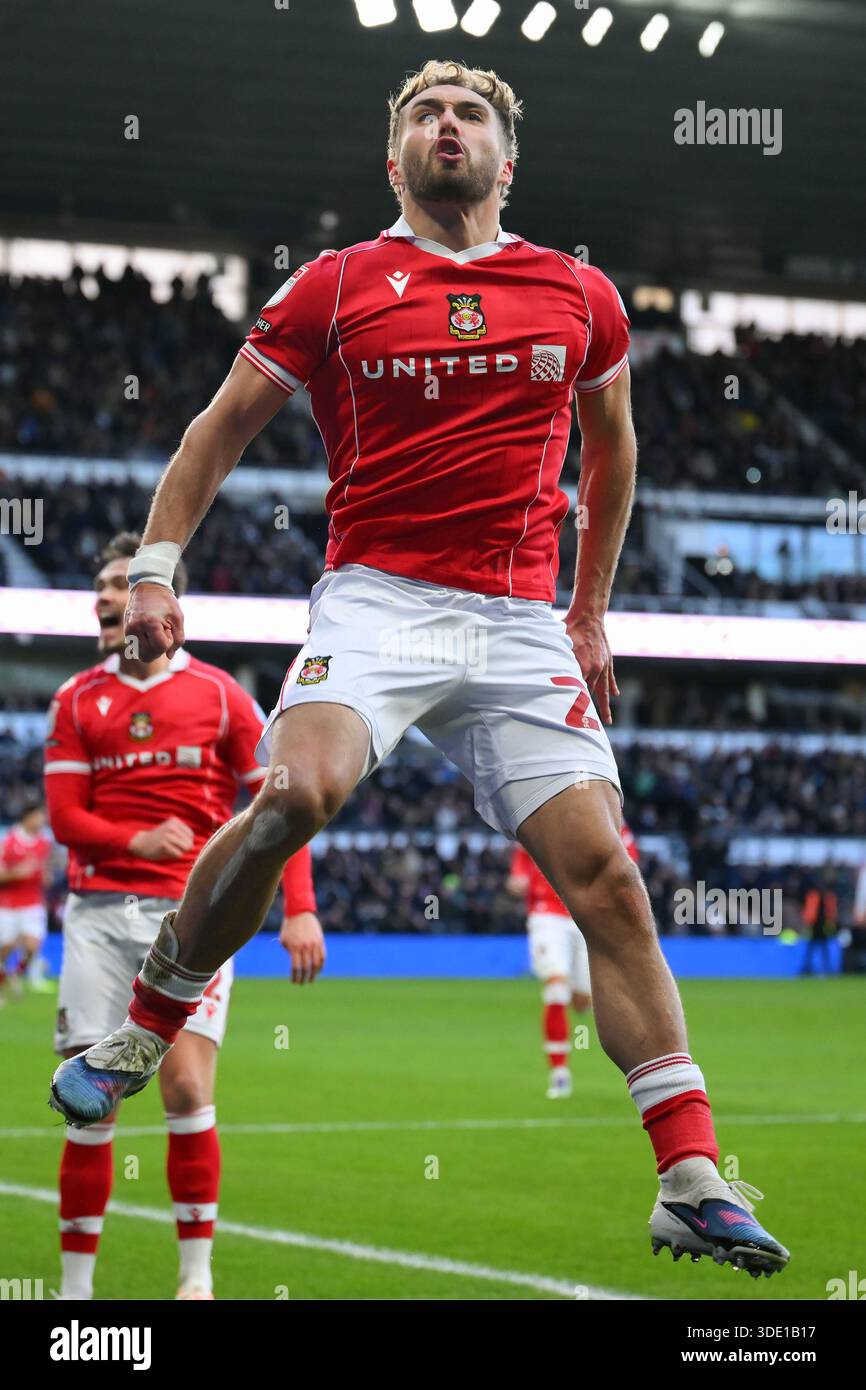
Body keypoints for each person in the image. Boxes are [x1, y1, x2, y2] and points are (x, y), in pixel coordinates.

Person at [50, 60, 788, 1278]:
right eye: (424, 118)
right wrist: (156, 576)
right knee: (297, 794)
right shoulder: (337, 285)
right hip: (379, 597)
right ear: (394, 161)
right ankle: (148, 1023)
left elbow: (612, 456)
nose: (449, 129)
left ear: (509, 156)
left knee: (605, 873)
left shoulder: (577, 294)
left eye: (471, 116)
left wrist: (588, 612)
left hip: (512, 618)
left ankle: (688, 1172)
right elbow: (213, 431)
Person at [45, 532, 324, 1300]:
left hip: (191, 917)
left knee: (186, 1092)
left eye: (117, 586)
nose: (104, 598)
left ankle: (195, 1284)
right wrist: (133, 836)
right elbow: (65, 817)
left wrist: (299, 908)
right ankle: (75, 1293)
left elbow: (279, 806)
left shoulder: (220, 696)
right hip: (99, 915)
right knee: (87, 1101)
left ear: (160, 608)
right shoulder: (75, 699)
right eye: (100, 587)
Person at [507, 822, 639, 1099]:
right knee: (556, 986)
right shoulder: (538, 813)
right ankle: (559, 1075)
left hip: (586, 916)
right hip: (546, 914)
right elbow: (522, 852)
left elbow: (628, 860)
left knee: (582, 1002)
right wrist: (518, 876)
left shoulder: (610, 818)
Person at [0, 799, 52, 999]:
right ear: (27, 817)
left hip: (32, 902)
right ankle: (3, 985)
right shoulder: (9, 841)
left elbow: (42, 870)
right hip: (8, 904)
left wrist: (44, 877)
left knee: (32, 946)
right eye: (39, 816)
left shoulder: (43, 843)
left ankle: (16, 974)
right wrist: (16, 874)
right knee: (4, 950)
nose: (42, 820)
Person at [801, 866, 839, 977]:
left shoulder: (828, 896)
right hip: (815, 925)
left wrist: (831, 923)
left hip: (823, 926)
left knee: (821, 949)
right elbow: (809, 911)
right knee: (813, 949)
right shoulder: (814, 895)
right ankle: (807, 969)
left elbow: (831, 912)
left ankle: (826, 970)